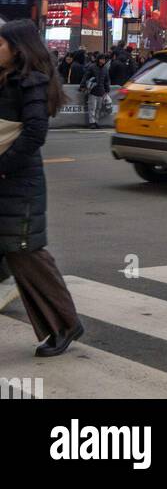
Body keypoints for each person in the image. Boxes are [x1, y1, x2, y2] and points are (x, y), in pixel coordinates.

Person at [0, 19, 83, 355]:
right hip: (8, 179)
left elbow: (35, 134)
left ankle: (65, 325)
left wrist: (2, 168)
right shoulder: (6, 78)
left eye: (0, 43)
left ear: (17, 49)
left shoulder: (30, 82)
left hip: (18, 182)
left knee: (27, 254)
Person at [81, 53, 111, 128]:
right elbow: (85, 77)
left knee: (98, 108)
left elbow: (107, 80)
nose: (103, 61)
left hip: (101, 91)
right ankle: (92, 123)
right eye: (101, 59)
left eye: (104, 59)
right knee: (92, 107)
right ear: (98, 59)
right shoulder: (92, 67)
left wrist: (107, 89)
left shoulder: (105, 69)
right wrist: (82, 86)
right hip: (92, 90)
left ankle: (96, 122)